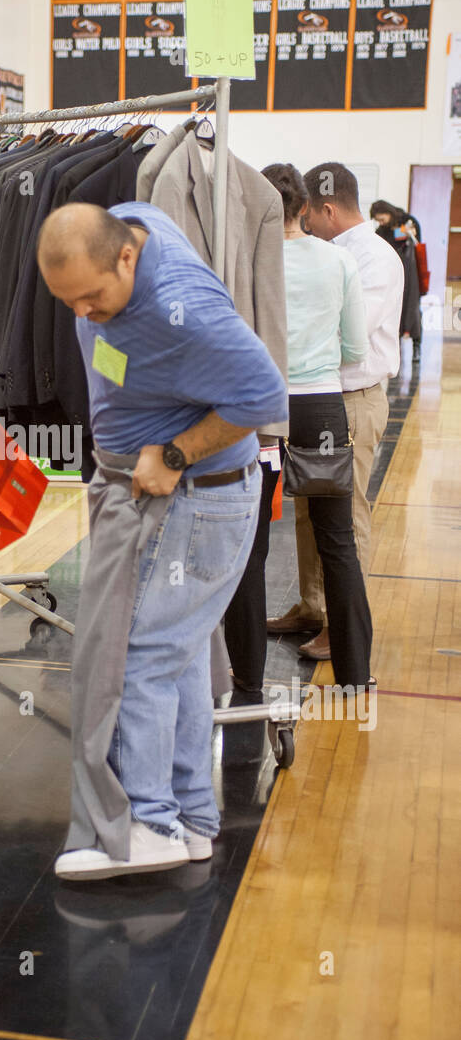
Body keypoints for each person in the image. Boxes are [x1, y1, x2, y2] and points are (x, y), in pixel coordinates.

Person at [36, 202, 287, 881]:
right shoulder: (129, 220)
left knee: (141, 657)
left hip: (191, 498)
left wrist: (173, 455)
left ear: (127, 258)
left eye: (94, 297)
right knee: (171, 659)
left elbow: (265, 395)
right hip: (162, 494)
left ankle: (148, 824)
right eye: (69, 303)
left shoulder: (184, 306)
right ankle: (192, 820)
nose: (85, 313)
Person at [226, 165, 372, 701]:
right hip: (322, 410)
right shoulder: (338, 260)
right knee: (339, 544)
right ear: (304, 206)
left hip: (260, 410)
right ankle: (356, 673)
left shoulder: (244, 261)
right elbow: (356, 347)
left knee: (251, 545)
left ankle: (246, 678)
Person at [269, 164, 403, 660]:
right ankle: (312, 606)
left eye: (310, 214)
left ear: (324, 208)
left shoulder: (372, 258)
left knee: (345, 516)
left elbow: (352, 336)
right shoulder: (333, 255)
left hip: (350, 398)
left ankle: (340, 625)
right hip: (319, 398)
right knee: (309, 511)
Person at [369, 201, 421, 362]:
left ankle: (416, 346)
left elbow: (417, 240)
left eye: (381, 218)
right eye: (377, 220)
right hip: (391, 272)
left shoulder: (408, 220)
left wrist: (404, 233)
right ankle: (395, 346)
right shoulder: (381, 230)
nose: (380, 222)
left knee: (412, 307)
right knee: (393, 307)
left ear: (389, 212)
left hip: (410, 271)